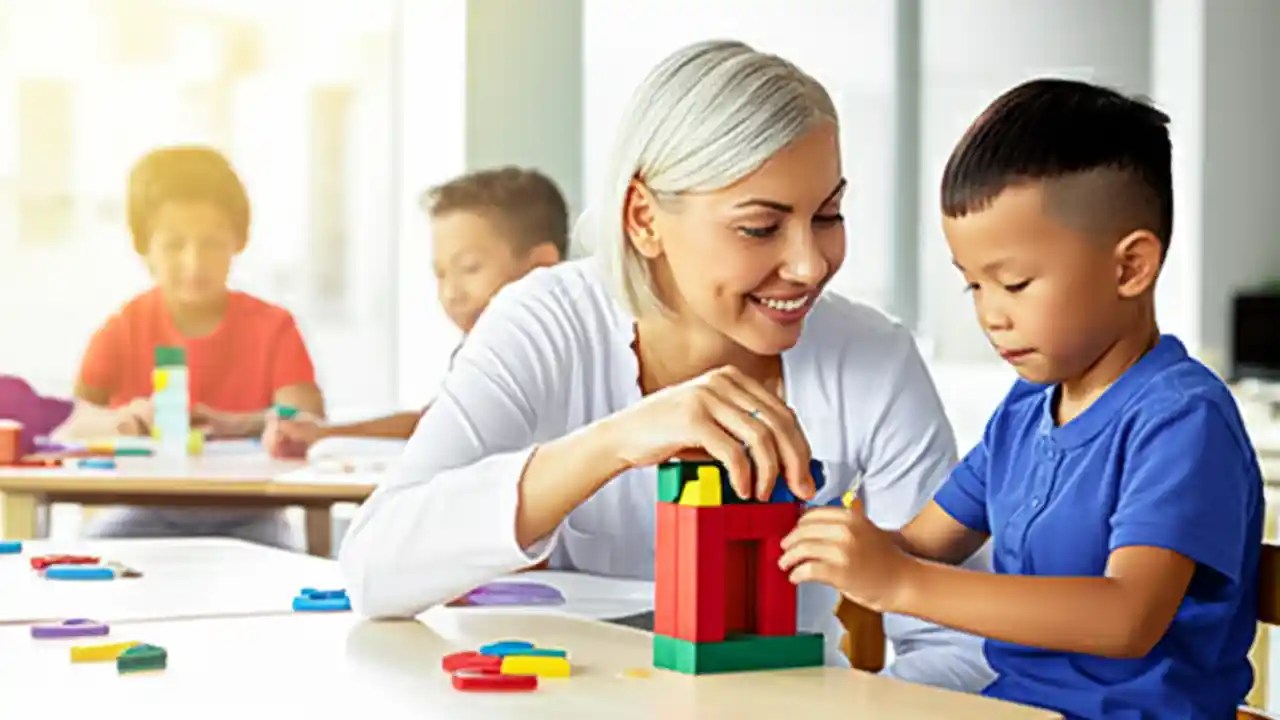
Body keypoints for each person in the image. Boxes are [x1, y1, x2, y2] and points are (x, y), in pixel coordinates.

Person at [337, 40, 992, 691]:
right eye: (761, 227)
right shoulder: (545, 322)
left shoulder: (872, 358)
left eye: (828, 216)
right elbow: (375, 570)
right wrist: (617, 441)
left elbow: (962, 645)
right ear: (644, 218)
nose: (809, 264)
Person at [778, 79, 1262, 719]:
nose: (990, 316)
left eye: (1014, 283)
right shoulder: (1025, 410)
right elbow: (920, 545)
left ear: (1130, 268)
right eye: (972, 287)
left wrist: (900, 583)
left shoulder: (1180, 420)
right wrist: (826, 536)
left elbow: (1127, 617)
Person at [72, 145, 324, 547]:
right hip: (142, 509)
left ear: (238, 242)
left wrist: (239, 423)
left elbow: (307, 417)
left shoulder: (274, 327)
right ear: (144, 246)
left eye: (211, 243)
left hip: (250, 516)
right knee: (91, 555)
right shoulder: (123, 327)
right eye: (174, 245)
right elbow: (70, 422)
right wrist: (126, 420)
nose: (194, 262)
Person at [262, 167, 567, 458]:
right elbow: (433, 425)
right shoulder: (479, 353)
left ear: (540, 267)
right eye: (441, 274)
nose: (451, 294)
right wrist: (323, 434)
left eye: (470, 268)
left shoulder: (564, 354)